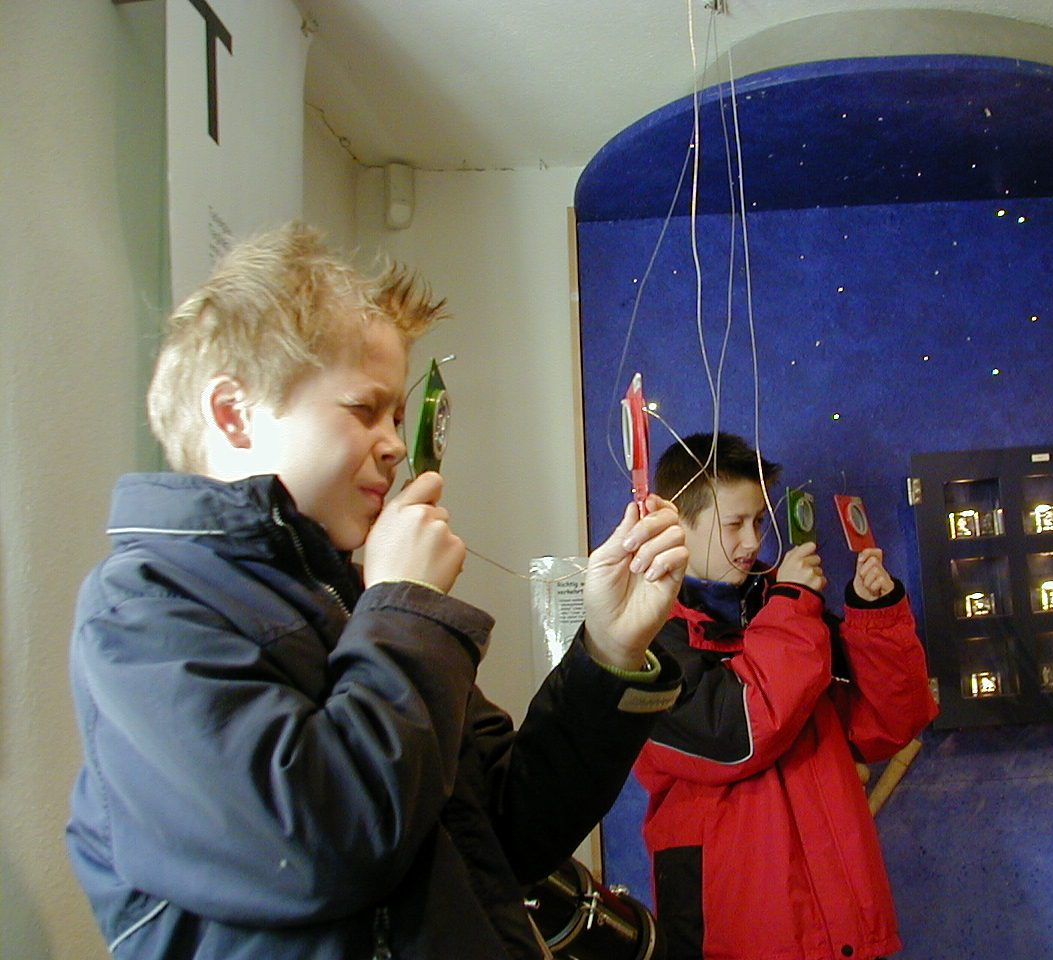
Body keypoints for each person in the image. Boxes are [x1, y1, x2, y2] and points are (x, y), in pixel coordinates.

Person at [65, 223, 689, 960]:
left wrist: (609, 653)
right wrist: (406, 606)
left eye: (397, 415)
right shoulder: (143, 610)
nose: (393, 443)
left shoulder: (356, 603)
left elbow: (508, 834)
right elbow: (322, 848)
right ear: (234, 414)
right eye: (364, 410)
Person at [635, 432, 938, 960]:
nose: (752, 542)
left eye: (759, 521)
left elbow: (889, 725)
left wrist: (875, 616)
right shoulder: (646, 637)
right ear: (675, 524)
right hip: (734, 929)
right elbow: (739, 736)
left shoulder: (782, 609)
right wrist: (794, 601)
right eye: (734, 524)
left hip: (836, 922)